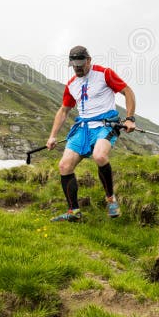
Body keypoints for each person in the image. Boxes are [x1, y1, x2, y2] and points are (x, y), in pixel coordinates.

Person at [46, 45, 136, 222]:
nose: (78, 69)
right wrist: (53, 136)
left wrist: (130, 118)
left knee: (100, 156)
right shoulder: (72, 84)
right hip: (83, 128)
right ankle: (74, 212)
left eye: (81, 64)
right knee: (64, 166)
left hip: (106, 124)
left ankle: (110, 200)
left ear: (89, 60)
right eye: (74, 66)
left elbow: (128, 92)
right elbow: (64, 110)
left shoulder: (104, 73)